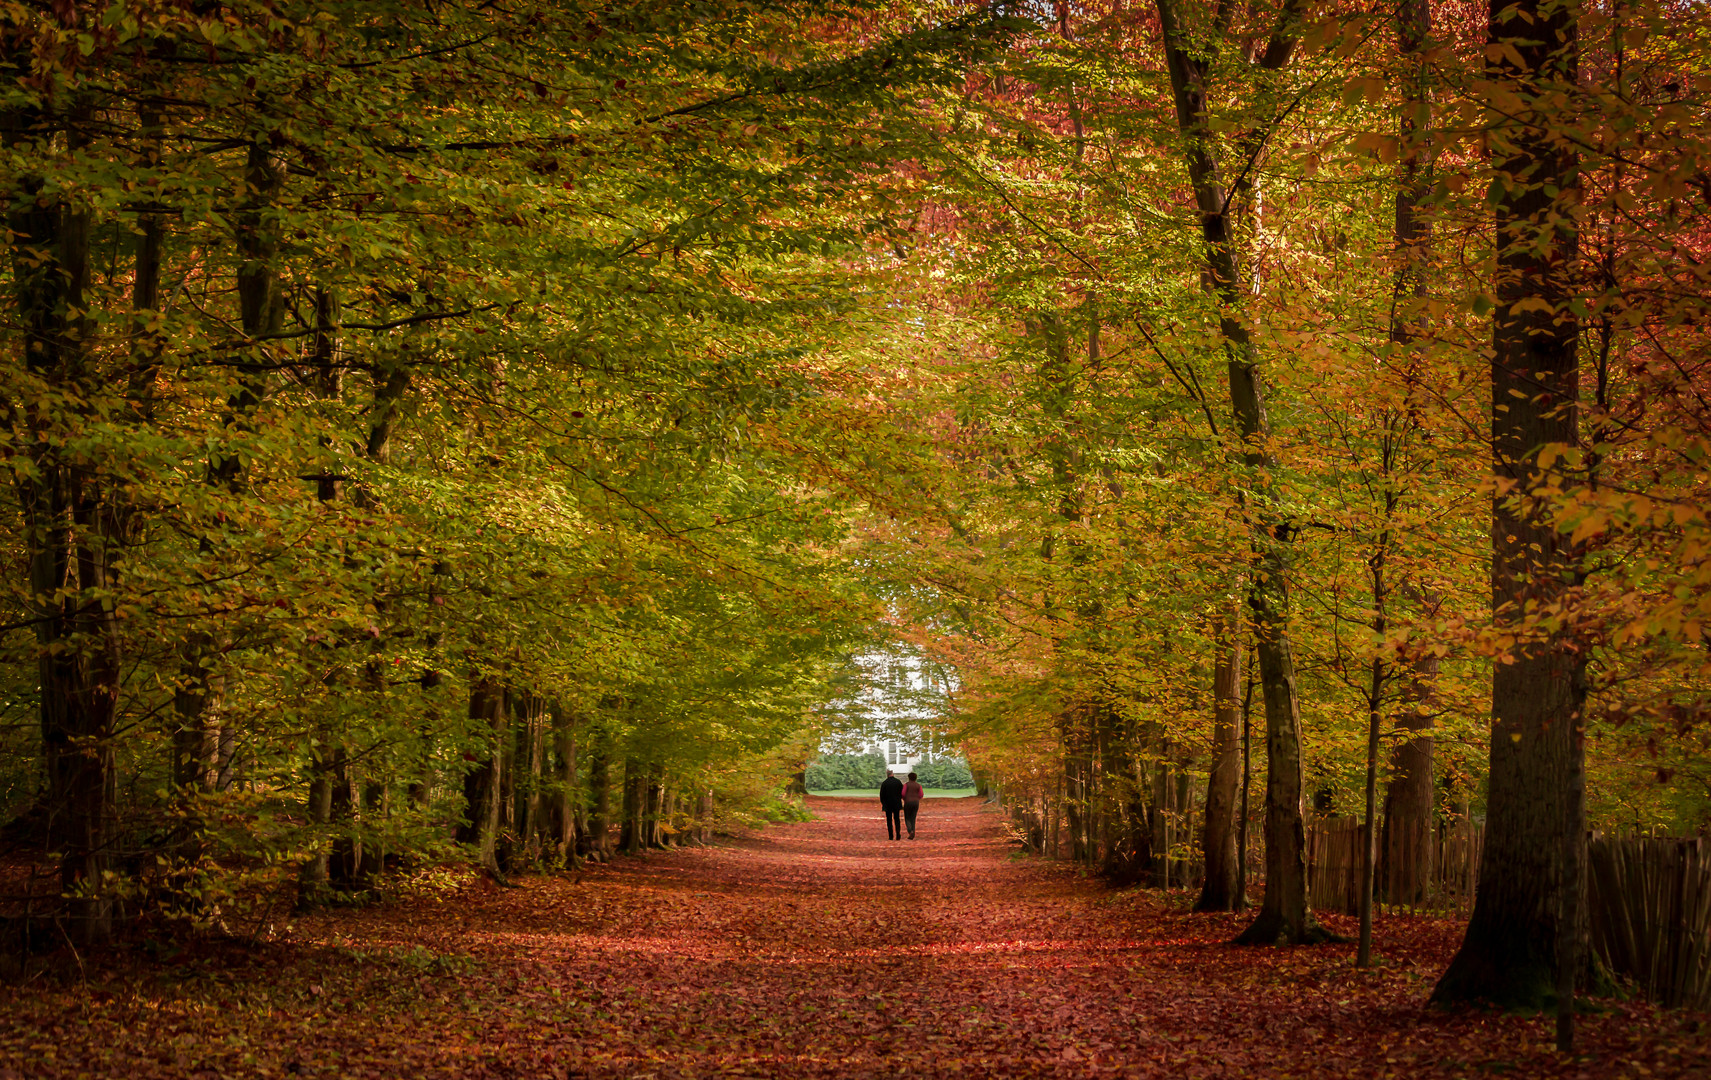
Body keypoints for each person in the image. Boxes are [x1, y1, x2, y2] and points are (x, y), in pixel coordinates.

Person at [879, 770, 904, 841]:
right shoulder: (898, 782)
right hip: (896, 803)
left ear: (887, 774)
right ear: (893, 774)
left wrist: (883, 803)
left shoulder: (884, 783)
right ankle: (898, 834)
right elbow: (902, 792)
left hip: (888, 804)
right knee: (897, 819)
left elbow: (882, 795)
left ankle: (891, 836)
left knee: (889, 820)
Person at [902, 772, 925, 839]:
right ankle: (913, 832)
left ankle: (910, 830)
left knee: (907, 817)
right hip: (915, 802)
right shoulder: (918, 785)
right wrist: (917, 798)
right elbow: (921, 794)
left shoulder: (906, 785)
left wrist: (905, 798)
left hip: (908, 802)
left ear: (909, 778)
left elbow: (903, 793)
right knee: (913, 817)